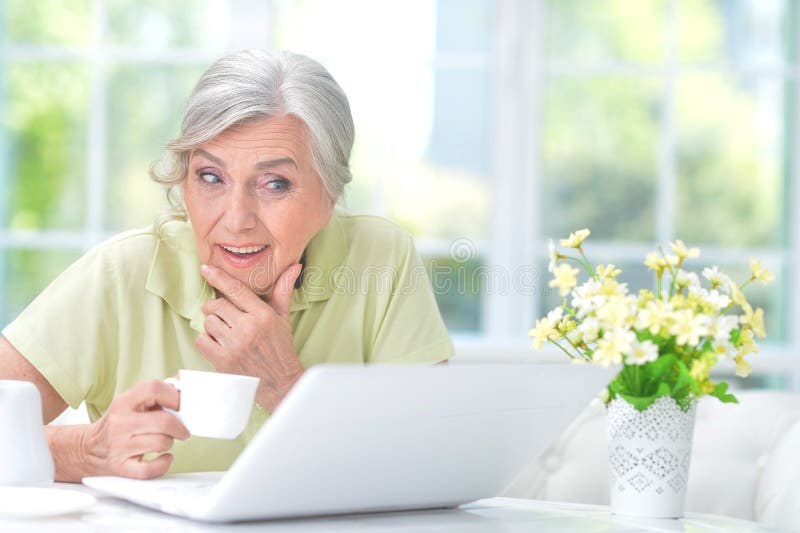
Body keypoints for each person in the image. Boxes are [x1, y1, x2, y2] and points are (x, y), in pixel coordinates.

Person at [0, 50, 453, 481]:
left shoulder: (380, 258)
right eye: (211, 178)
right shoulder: (123, 273)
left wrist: (284, 384)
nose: (236, 220)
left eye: (275, 184)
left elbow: (438, 463)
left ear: (330, 196)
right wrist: (87, 450)